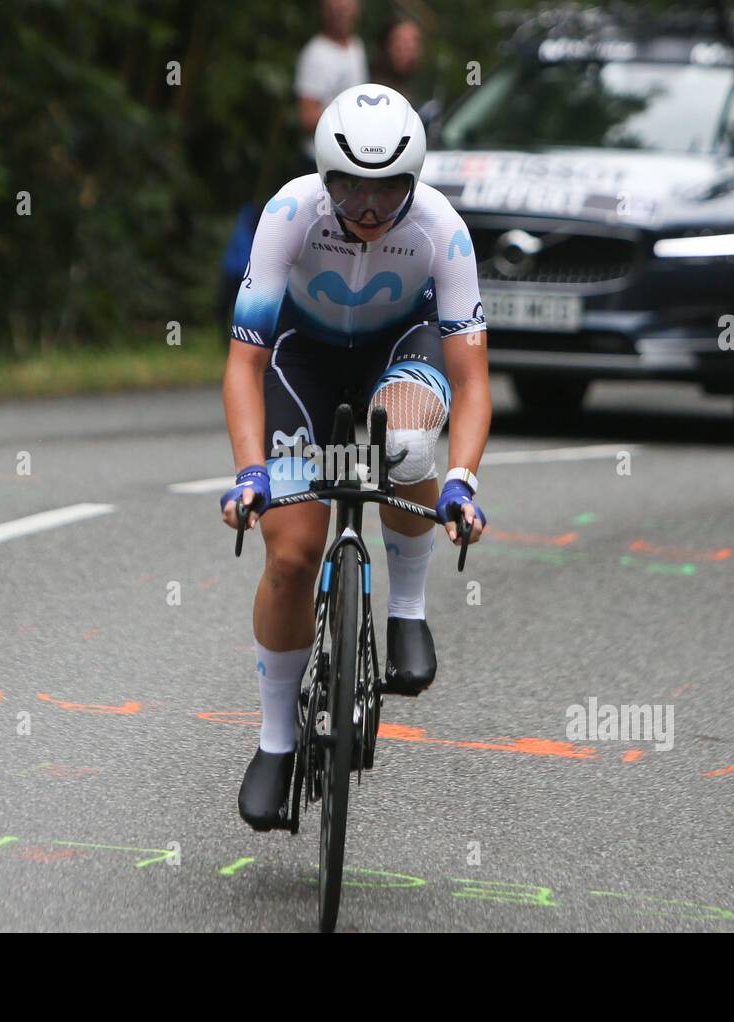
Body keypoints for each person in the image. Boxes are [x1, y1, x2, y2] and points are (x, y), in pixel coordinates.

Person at [219, 84, 491, 831]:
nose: (369, 208)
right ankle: (276, 744)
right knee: (291, 556)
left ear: (416, 180)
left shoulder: (442, 228)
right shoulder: (289, 214)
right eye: (350, 186)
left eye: (389, 188)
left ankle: (406, 609)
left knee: (405, 448)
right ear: (322, 175)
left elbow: (472, 382)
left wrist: (460, 483)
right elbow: (245, 364)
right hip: (303, 362)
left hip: (399, 351)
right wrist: (249, 474)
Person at [294, 0, 369, 168]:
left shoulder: (356, 45)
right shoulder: (316, 54)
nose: (342, 14)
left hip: (349, 158)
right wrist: (349, 122)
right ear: (324, 11)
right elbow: (306, 117)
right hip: (320, 160)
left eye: (347, 8)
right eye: (336, 9)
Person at [371, 17, 426, 105]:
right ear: (385, 45)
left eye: (415, 43)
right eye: (401, 43)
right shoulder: (370, 89)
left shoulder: (414, 94)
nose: (409, 51)